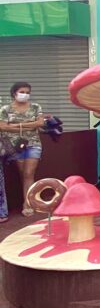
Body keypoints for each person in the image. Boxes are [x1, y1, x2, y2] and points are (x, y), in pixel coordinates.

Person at [0, 82, 49, 216]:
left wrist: (15, 125)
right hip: (14, 145)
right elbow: (3, 126)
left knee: (29, 173)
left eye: (27, 92)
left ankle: (27, 204)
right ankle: (27, 199)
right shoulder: (5, 109)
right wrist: (29, 125)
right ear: (14, 93)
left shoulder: (35, 107)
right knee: (23, 174)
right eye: (22, 92)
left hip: (33, 143)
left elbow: (40, 123)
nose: (25, 95)